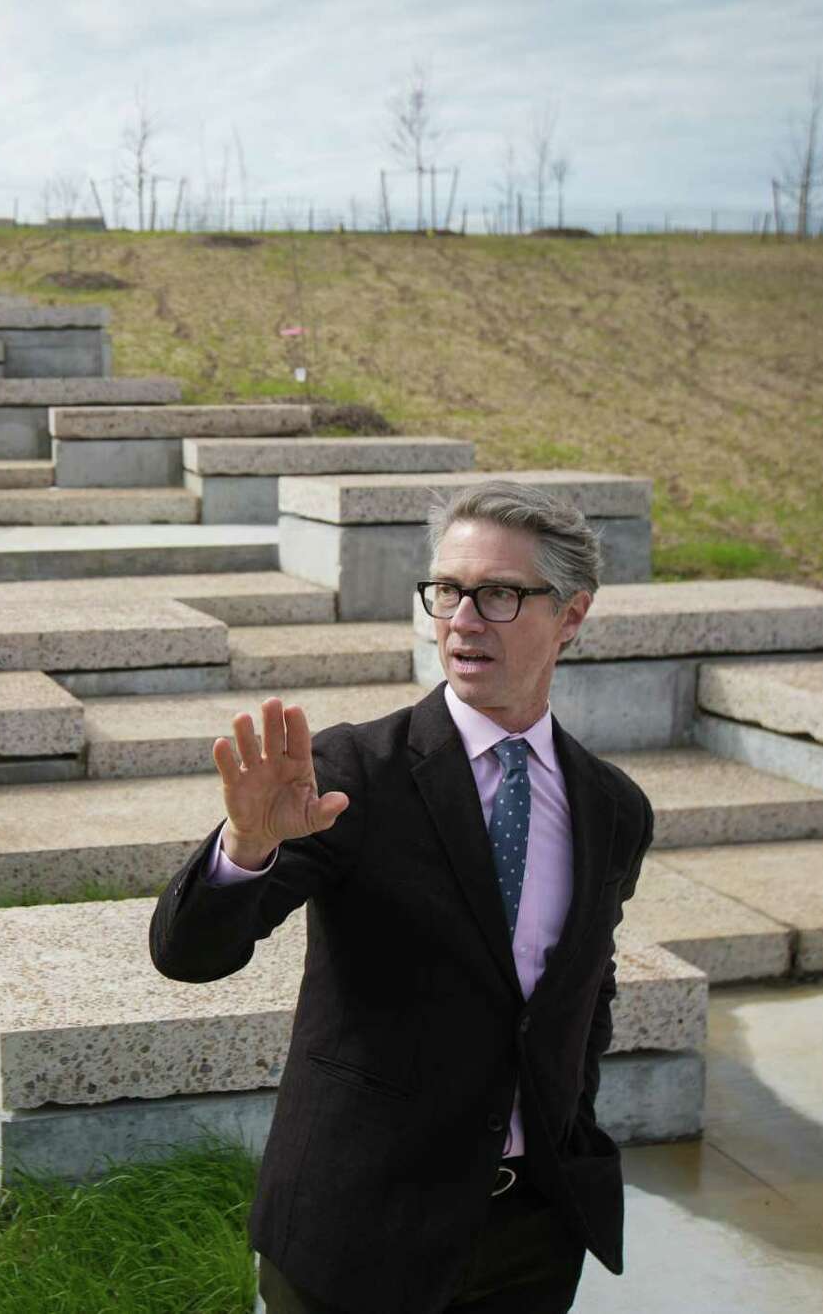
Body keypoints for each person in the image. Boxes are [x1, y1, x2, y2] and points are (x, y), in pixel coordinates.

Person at [150, 481, 655, 1314]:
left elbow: (584, 990)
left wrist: (569, 1125)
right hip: (357, 1232)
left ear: (570, 615)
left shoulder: (613, 808)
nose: (462, 620)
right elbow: (190, 954)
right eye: (448, 590)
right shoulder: (351, 774)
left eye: (498, 594)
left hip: (531, 1237)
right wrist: (245, 849)